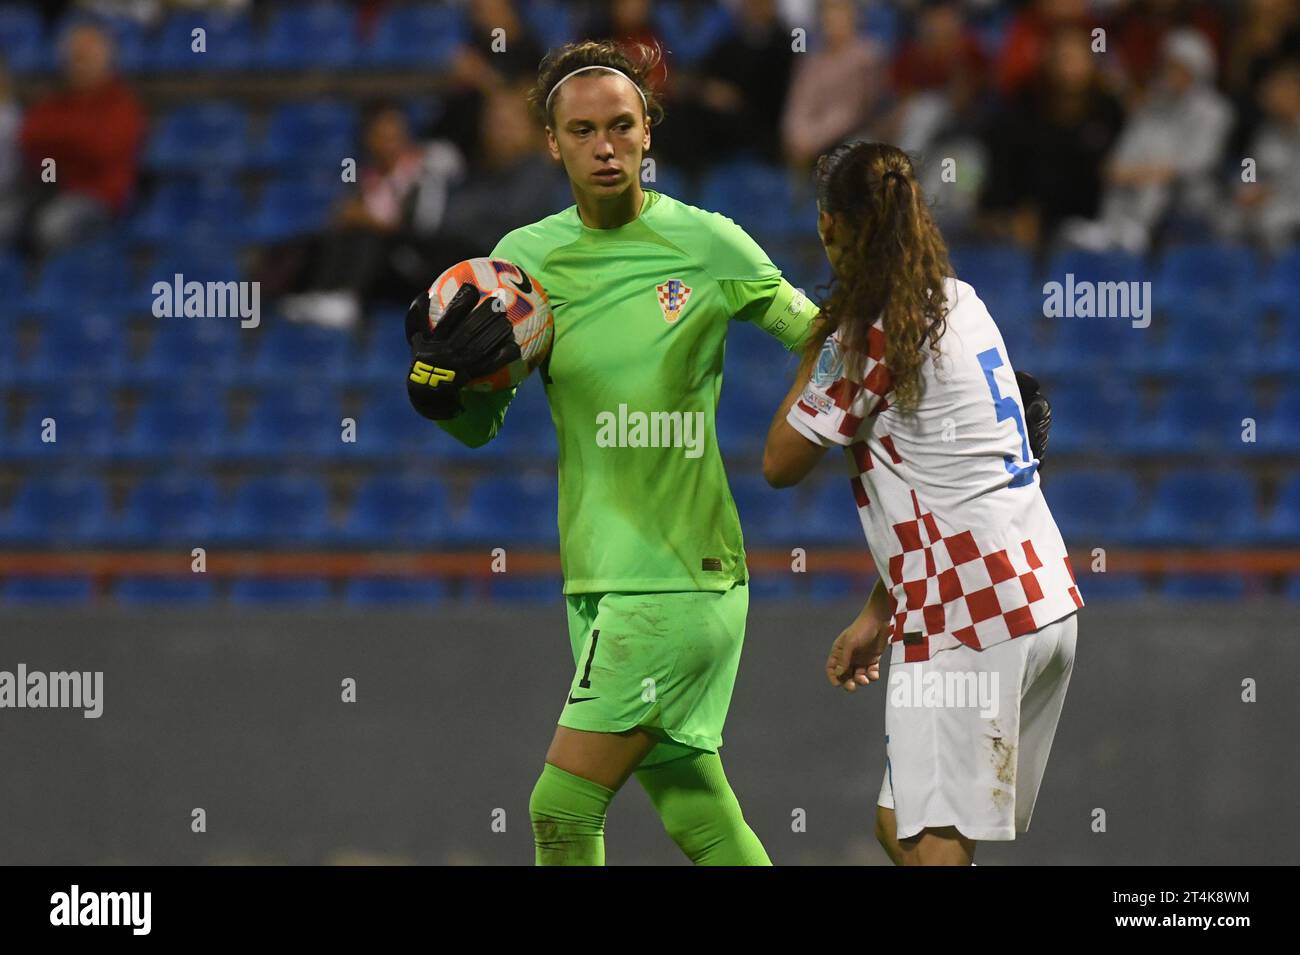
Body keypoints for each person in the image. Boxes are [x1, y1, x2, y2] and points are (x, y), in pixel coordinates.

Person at [404, 39, 822, 866]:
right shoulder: (521, 263)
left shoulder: (710, 246)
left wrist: (801, 426)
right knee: (697, 809)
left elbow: (823, 342)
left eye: (622, 126)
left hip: (679, 573)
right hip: (596, 576)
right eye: (584, 130)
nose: (605, 146)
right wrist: (444, 391)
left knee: (561, 808)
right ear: (552, 143)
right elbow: (483, 424)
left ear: (647, 134)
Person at [762, 141, 1080, 866]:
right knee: (899, 817)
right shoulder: (961, 302)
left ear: (826, 225)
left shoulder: (868, 332)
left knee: (928, 842)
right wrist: (880, 612)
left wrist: (818, 334)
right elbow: (948, 484)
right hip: (1039, 593)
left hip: (968, 616)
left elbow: (781, 461)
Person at [15, 22, 145, 256]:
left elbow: (101, 149)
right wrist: (74, 139)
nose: (78, 65)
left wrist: (59, 143)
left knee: (52, 225)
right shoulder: (56, 101)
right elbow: (29, 136)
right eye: (74, 58)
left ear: (106, 61)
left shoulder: (121, 105)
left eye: (85, 58)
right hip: (49, 190)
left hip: (100, 199)